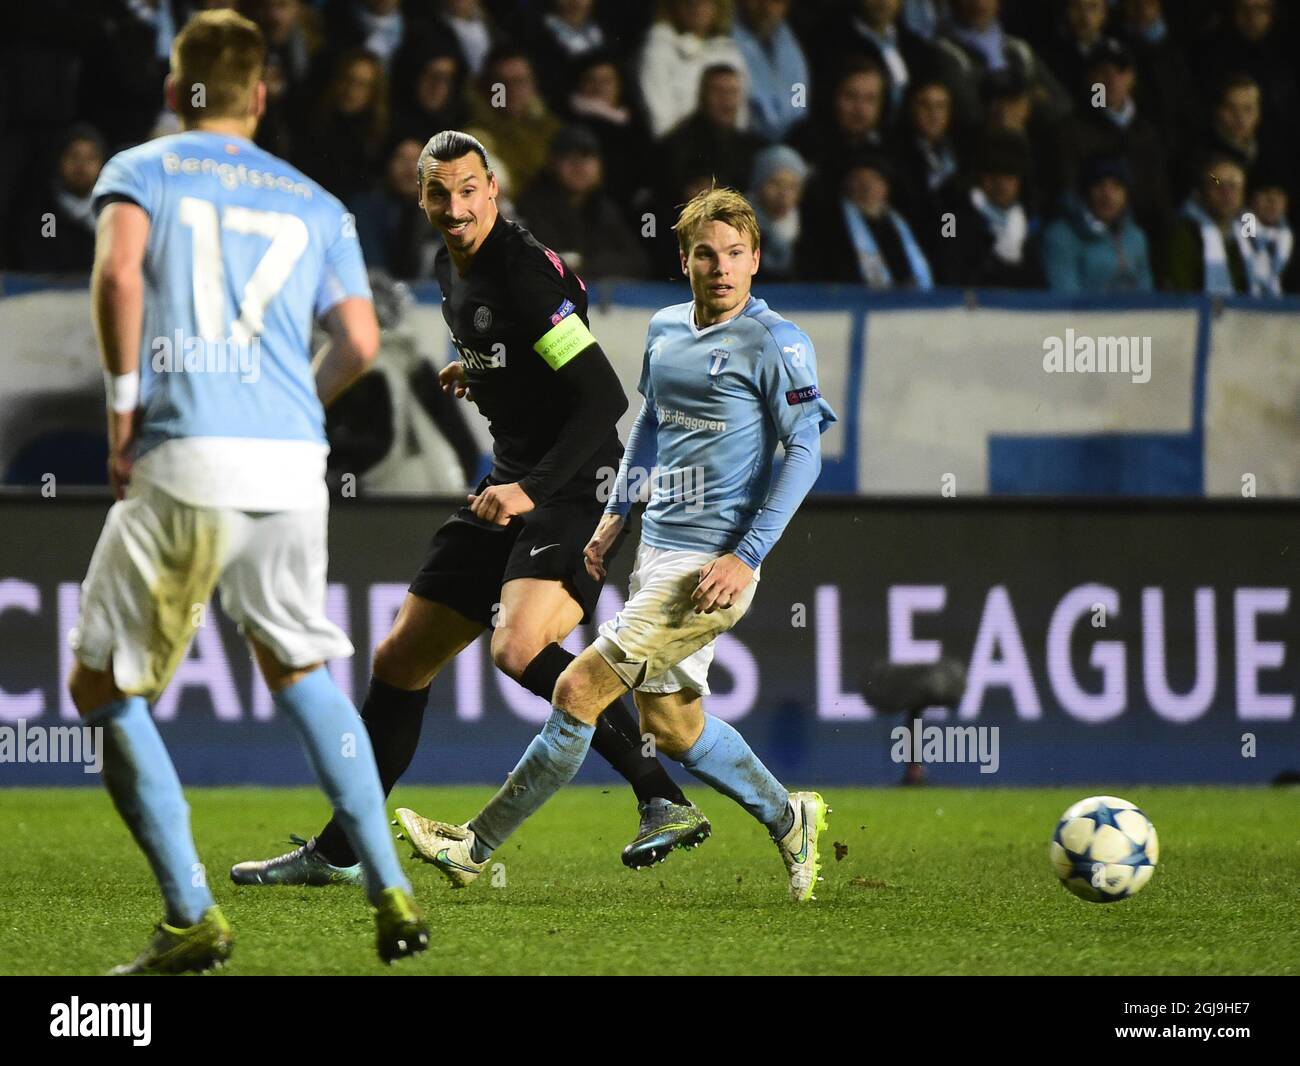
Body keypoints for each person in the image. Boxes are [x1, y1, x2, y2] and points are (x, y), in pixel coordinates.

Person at [232, 130, 710, 887]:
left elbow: (602, 398)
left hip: (572, 487)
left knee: (517, 649)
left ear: (492, 190)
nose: (454, 208)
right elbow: (535, 345)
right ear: (419, 198)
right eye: (438, 194)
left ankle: (662, 797)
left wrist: (530, 488)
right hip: (509, 482)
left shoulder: (518, 274)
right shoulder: (452, 272)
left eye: (468, 191)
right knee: (399, 660)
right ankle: (341, 852)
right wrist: (484, 368)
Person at [66, 9, 426, 974]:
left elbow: (118, 279)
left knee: (99, 681)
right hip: (290, 465)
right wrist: (287, 409)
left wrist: (121, 415)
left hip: (187, 453)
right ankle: (388, 885)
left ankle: (190, 912)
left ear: (175, 84)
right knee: (300, 667)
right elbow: (356, 340)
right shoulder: (315, 199)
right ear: (260, 95)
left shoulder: (144, 167)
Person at [396, 186, 837, 901]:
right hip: (658, 551)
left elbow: (805, 454)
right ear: (685, 262)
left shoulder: (777, 342)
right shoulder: (666, 332)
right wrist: (615, 518)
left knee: (578, 687)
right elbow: (650, 430)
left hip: (712, 567)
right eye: (705, 254)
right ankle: (791, 818)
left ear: (756, 259)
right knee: (676, 727)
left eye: (734, 254)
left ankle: (473, 846)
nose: (720, 268)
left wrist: (745, 555)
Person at [1042, 156, 1154, 293]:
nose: (1108, 195)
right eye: (1099, 185)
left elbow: (1146, 294)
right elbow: (1067, 300)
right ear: (1085, 191)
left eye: (1116, 186)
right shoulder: (1061, 237)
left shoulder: (1136, 238)